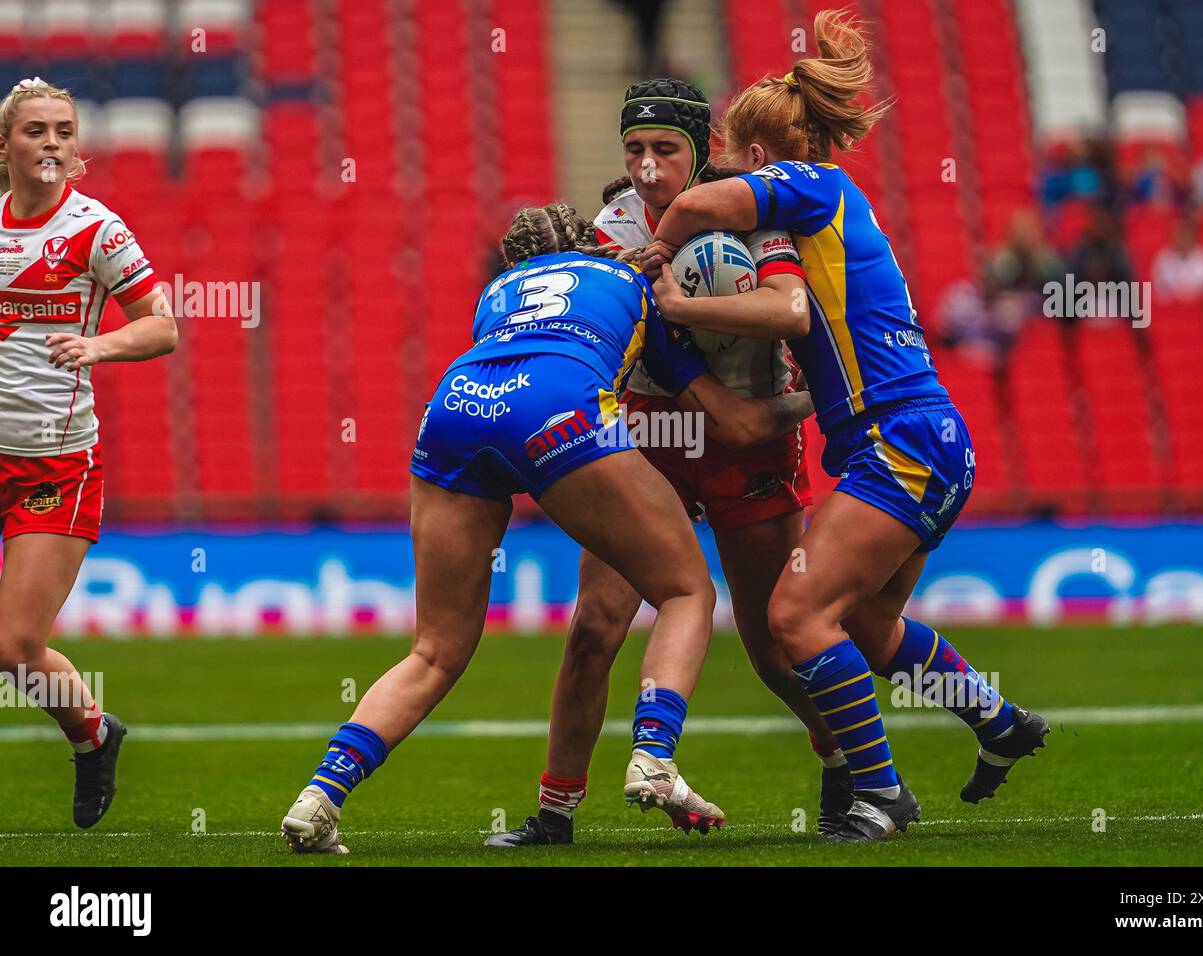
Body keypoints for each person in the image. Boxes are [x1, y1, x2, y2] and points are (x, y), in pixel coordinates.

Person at [279, 203, 816, 854]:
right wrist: (820, 393)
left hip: (453, 408)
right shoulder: (634, 285)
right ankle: (652, 756)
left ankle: (320, 797)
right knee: (686, 592)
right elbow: (739, 424)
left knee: (434, 652)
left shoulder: (497, 292)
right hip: (556, 407)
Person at [639, 9, 1049, 843]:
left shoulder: (813, 186)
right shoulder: (840, 209)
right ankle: (999, 722)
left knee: (794, 619)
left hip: (898, 440)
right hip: (924, 439)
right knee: (864, 622)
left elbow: (697, 207)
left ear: (759, 158)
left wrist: (662, 257)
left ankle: (883, 796)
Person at [488, 79, 855, 849]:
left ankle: (852, 769)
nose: (648, 166)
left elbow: (791, 310)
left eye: (665, 149)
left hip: (749, 437)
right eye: (635, 150)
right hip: (650, 433)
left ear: (699, 153)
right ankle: (555, 813)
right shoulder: (609, 229)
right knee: (594, 624)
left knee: (773, 645)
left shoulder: (748, 211)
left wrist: (678, 308)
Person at [0, 78, 177, 827]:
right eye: (36, 130)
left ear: (78, 151)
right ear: (6, 146)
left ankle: (93, 734)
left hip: (55, 464)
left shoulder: (96, 231)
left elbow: (162, 326)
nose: (51, 143)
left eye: (64, 132)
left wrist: (99, 344)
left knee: (13, 650)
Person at [1151, 217, 1203, 306]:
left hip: (1198, 307)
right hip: (1170, 309)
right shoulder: (1162, 257)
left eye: (1187, 234)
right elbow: (1159, 287)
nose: (1183, 238)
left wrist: (1189, 298)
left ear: (1195, 237)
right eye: (1180, 234)